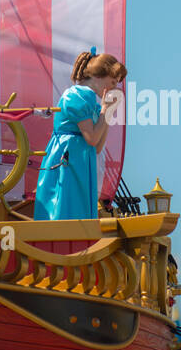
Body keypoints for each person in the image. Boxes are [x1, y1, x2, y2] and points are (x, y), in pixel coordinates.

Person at [34, 49, 127, 221]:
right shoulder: (76, 96)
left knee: (79, 209)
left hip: (81, 160)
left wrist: (107, 112)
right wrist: (105, 110)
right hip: (68, 159)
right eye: (113, 82)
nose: (115, 87)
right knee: (65, 208)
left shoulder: (92, 102)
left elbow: (97, 147)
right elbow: (91, 138)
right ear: (98, 77)